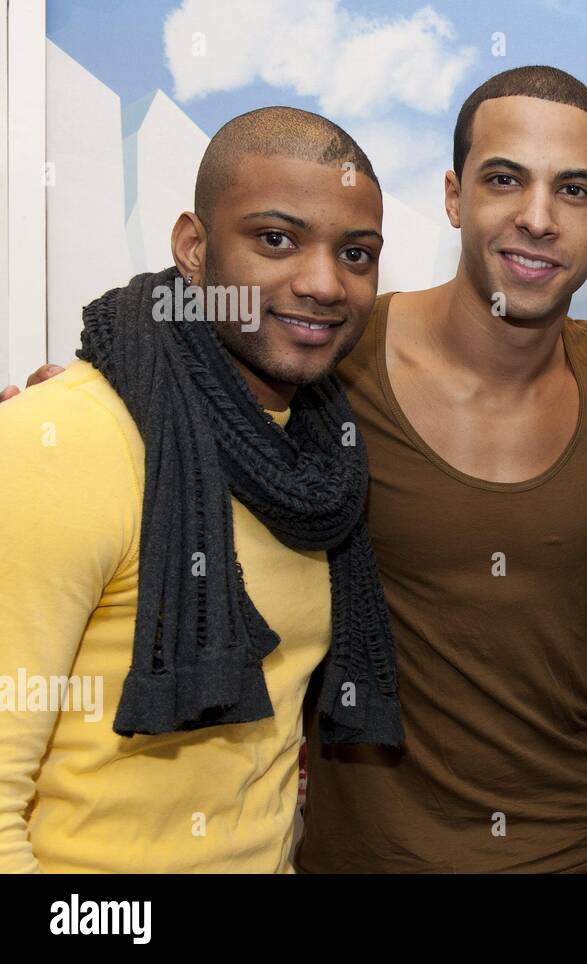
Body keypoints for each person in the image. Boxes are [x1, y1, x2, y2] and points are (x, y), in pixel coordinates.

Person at [0, 107, 400, 873]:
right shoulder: (63, 442)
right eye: (276, 239)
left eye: (355, 253)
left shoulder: (319, 463)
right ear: (193, 247)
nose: (322, 283)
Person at [294, 66, 587, 874]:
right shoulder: (339, 355)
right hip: (364, 857)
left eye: (573, 190)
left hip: (565, 848)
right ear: (456, 197)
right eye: (504, 180)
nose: (537, 218)